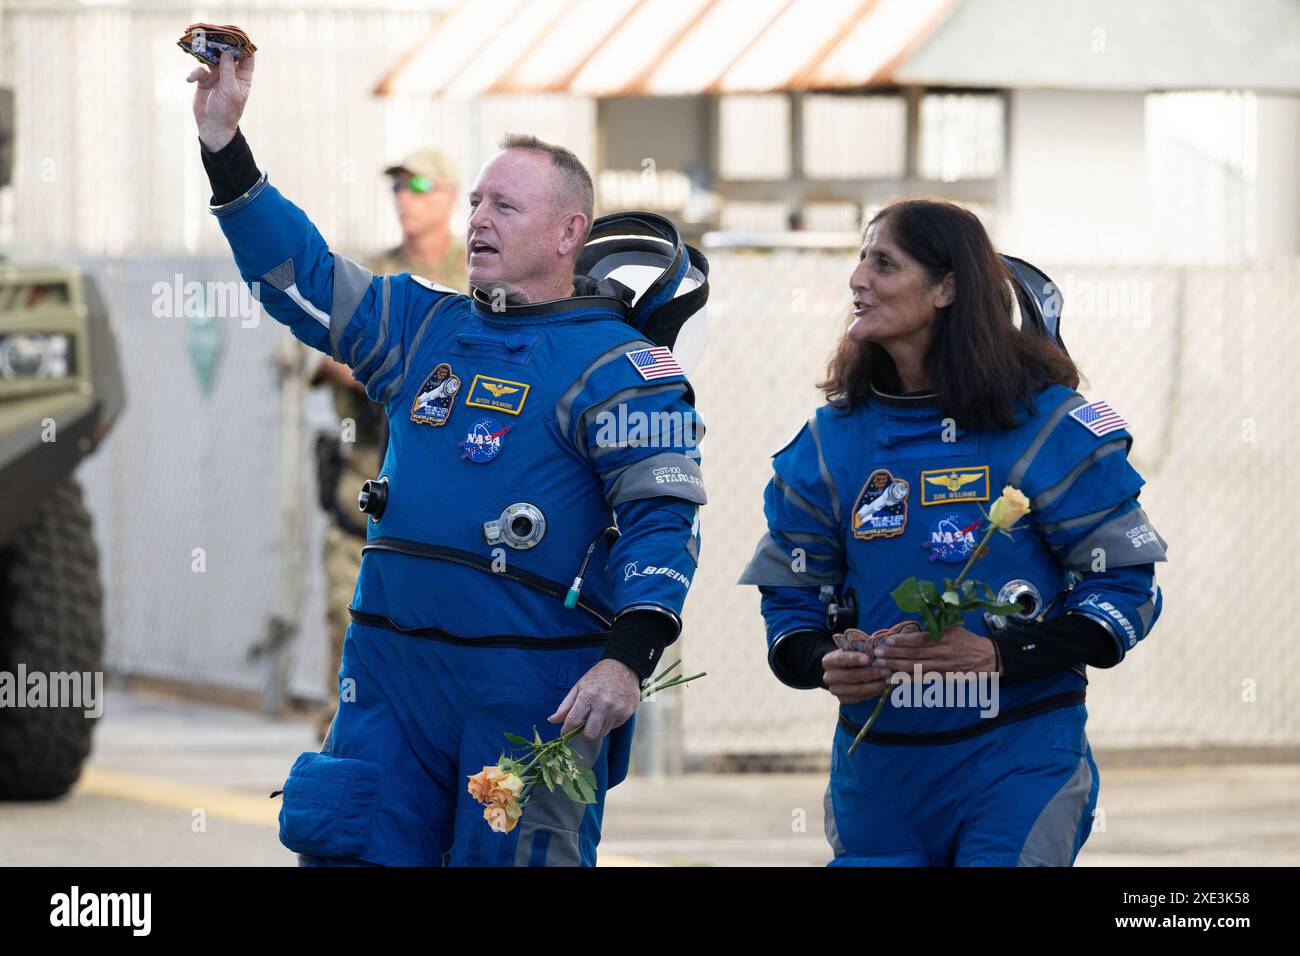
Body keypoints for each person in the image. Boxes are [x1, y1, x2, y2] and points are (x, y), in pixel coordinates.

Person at [188, 51, 706, 866]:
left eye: (505, 205)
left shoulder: (620, 368)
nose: (477, 221)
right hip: (388, 678)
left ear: (571, 231)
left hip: (532, 690)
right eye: (474, 203)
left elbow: (661, 519)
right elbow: (301, 278)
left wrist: (626, 659)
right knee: (348, 849)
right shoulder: (419, 325)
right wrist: (225, 145)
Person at [739, 198, 1167, 866]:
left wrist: (1001, 654)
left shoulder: (1050, 427)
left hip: (1018, 760)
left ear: (946, 288)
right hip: (880, 772)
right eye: (860, 259)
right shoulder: (830, 444)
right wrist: (823, 660)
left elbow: (1127, 592)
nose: (858, 279)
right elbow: (791, 603)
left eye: (884, 263)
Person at [309, 150, 466, 740]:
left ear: (450, 195)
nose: (406, 196)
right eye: (397, 185)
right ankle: (339, 777)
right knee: (347, 643)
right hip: (367, 496)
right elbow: (327, 356)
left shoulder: (477, 276)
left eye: (420, 185)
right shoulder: (374, 276)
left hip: (451, 506)